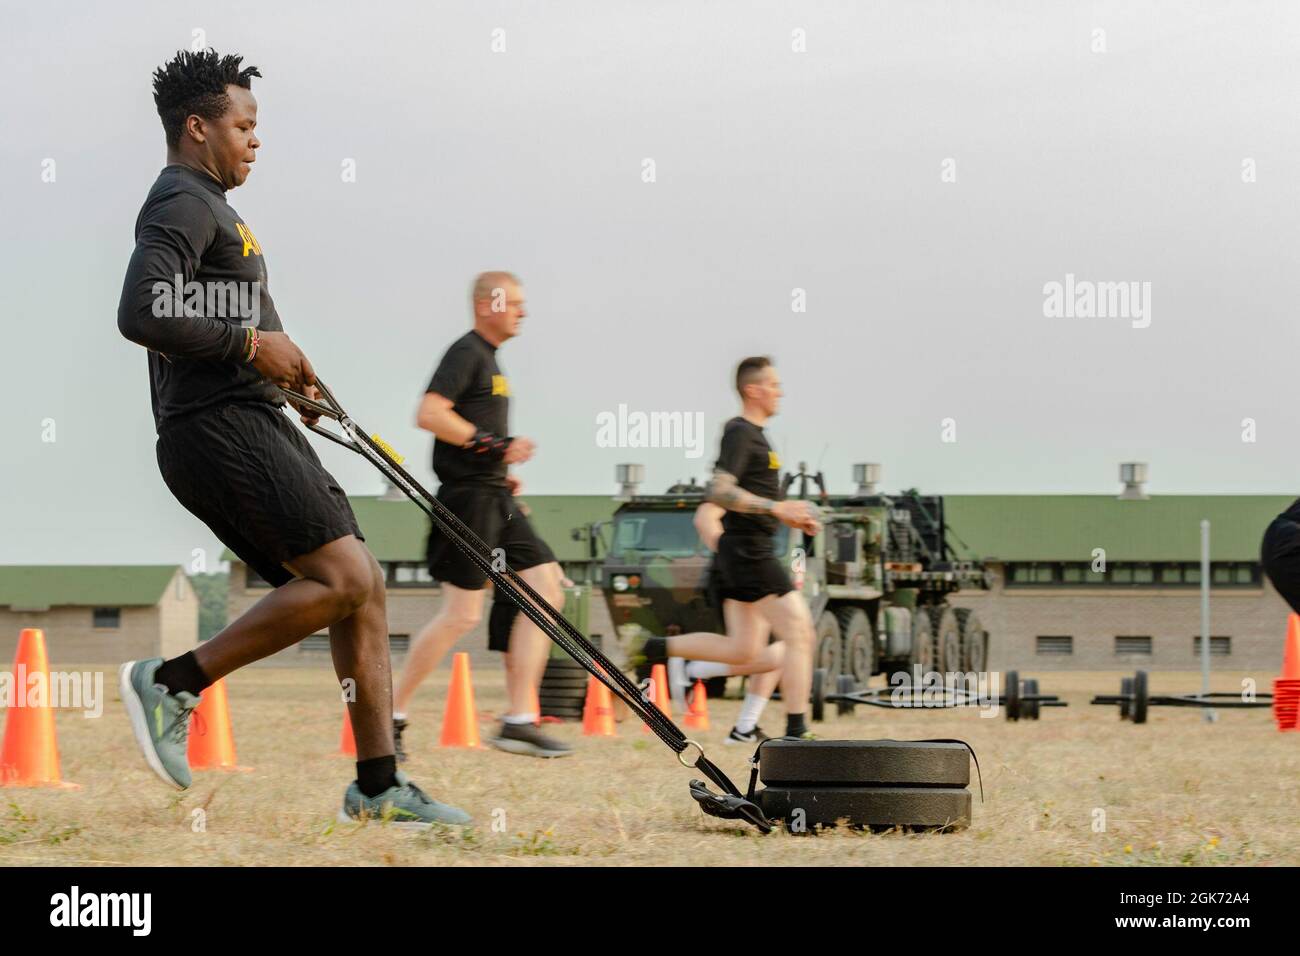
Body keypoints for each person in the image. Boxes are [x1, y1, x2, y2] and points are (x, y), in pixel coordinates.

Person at [116, 49, 469, 827]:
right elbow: (142, 313)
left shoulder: (214, 208)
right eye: (244, 125)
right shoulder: (180, 200)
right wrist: (251, 346)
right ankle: (174, 679)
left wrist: (291, 376)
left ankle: (378, 785)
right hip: (216, 429)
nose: (256, 139)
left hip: (252, 417)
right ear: (198, 127)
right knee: (344, 577)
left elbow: (229, 321)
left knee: (364, 585)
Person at [390, 272, 571, 759]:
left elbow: (470, 433)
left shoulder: (491, 361)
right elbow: (429, 414)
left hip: (495, 495)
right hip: (467, 500)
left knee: (547, 587)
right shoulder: (466, 352)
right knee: (461, 614)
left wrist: (500, 465)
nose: (523, 312)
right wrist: (498, 447)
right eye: (514, 302)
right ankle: (390, 715)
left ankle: (519, 719)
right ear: (488, 304)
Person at [629, 357, 820, 740]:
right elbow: (718, 491)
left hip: (745, 549)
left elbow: (753, 498)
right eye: (773, 384)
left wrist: (789, 517)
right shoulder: (740, 431)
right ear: (753, 390)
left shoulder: (759, 437)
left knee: (744, 650)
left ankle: (648, 646)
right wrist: (775, 508)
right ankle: (798, 733)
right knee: (800, 633)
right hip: (749, 551)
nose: (780, 391)